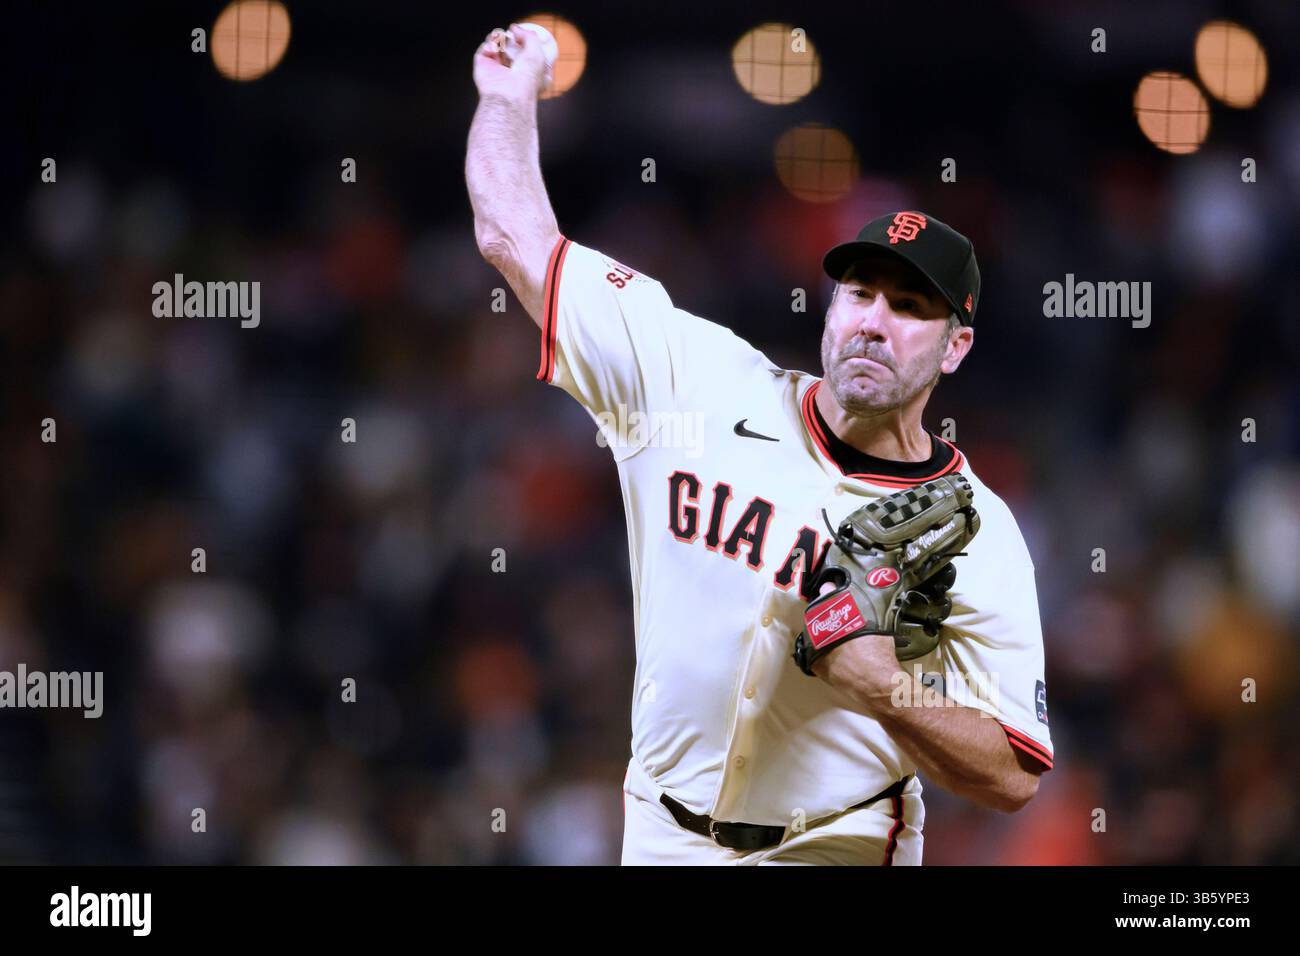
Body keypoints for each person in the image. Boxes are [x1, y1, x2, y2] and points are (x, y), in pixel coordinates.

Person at [466, 24, 1052, 865]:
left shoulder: (978, 530)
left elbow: (1013, 773)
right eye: (859, 293)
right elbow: (512, 236)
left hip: (837, 845)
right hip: (661, 835)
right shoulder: (693, 382)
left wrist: (889, 689)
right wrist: (507, 94)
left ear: (956, 345)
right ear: (830, 306)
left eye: (911, 308)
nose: (874, 324)